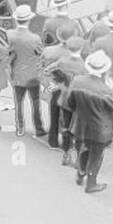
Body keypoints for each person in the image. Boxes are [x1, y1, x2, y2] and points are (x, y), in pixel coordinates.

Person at [65, 50, 113, 193]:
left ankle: (80, 173)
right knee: (96, 157)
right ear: (104, 69)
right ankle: (91, 184)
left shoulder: (77, 81)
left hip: (79, 125)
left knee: (83, 149)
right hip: (99, 129)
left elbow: (69, 103)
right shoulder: (106, 90)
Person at [44, 35, 87, 163]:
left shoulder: (62, 61)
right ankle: (78, 153)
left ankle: (66, 153)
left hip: (64, 97)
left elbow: (47, 70)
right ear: (81, 48)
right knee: (78, 126)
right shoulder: (83, 66)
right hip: (78, 99)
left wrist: (57, 82)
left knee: (65, 125)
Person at [7, 4, 47, 137]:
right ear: (29, 20)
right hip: (32, 75)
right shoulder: (35, 38)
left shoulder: (10, 35)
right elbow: (41, 54)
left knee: (18, 102)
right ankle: (39, 128)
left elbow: (9, 53)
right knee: (35, 102)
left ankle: (20, 127)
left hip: (17, 74)